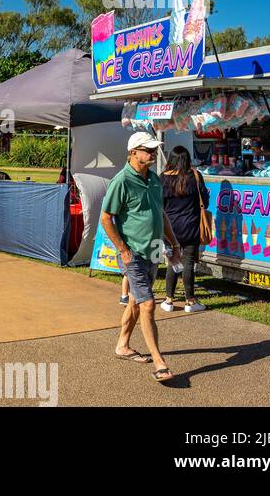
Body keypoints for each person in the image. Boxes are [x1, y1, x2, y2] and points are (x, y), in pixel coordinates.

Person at [101, 131, 181, 382]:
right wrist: (123, 250)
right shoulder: (121, 181)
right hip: (133, 253)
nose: (152, 153)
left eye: (153, 149)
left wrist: (174, 242)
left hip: (154, 249)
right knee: (148, 305)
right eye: (147, 149)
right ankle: (159, 362)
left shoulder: (155, 179)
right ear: (133, 152)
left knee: (137, 301)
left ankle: (122, 345)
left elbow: (162, 214)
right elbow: (105, 218)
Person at [160, 145, 208, 313]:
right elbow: (205, 201)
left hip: (169, 228)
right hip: (191, 226)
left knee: (173, 262)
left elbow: (159, 205)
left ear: (171, 160)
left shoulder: (162, 178)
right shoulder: (195, 176)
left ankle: (168, 300)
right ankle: (190, 301)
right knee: (188, 263)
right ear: (187, 160)